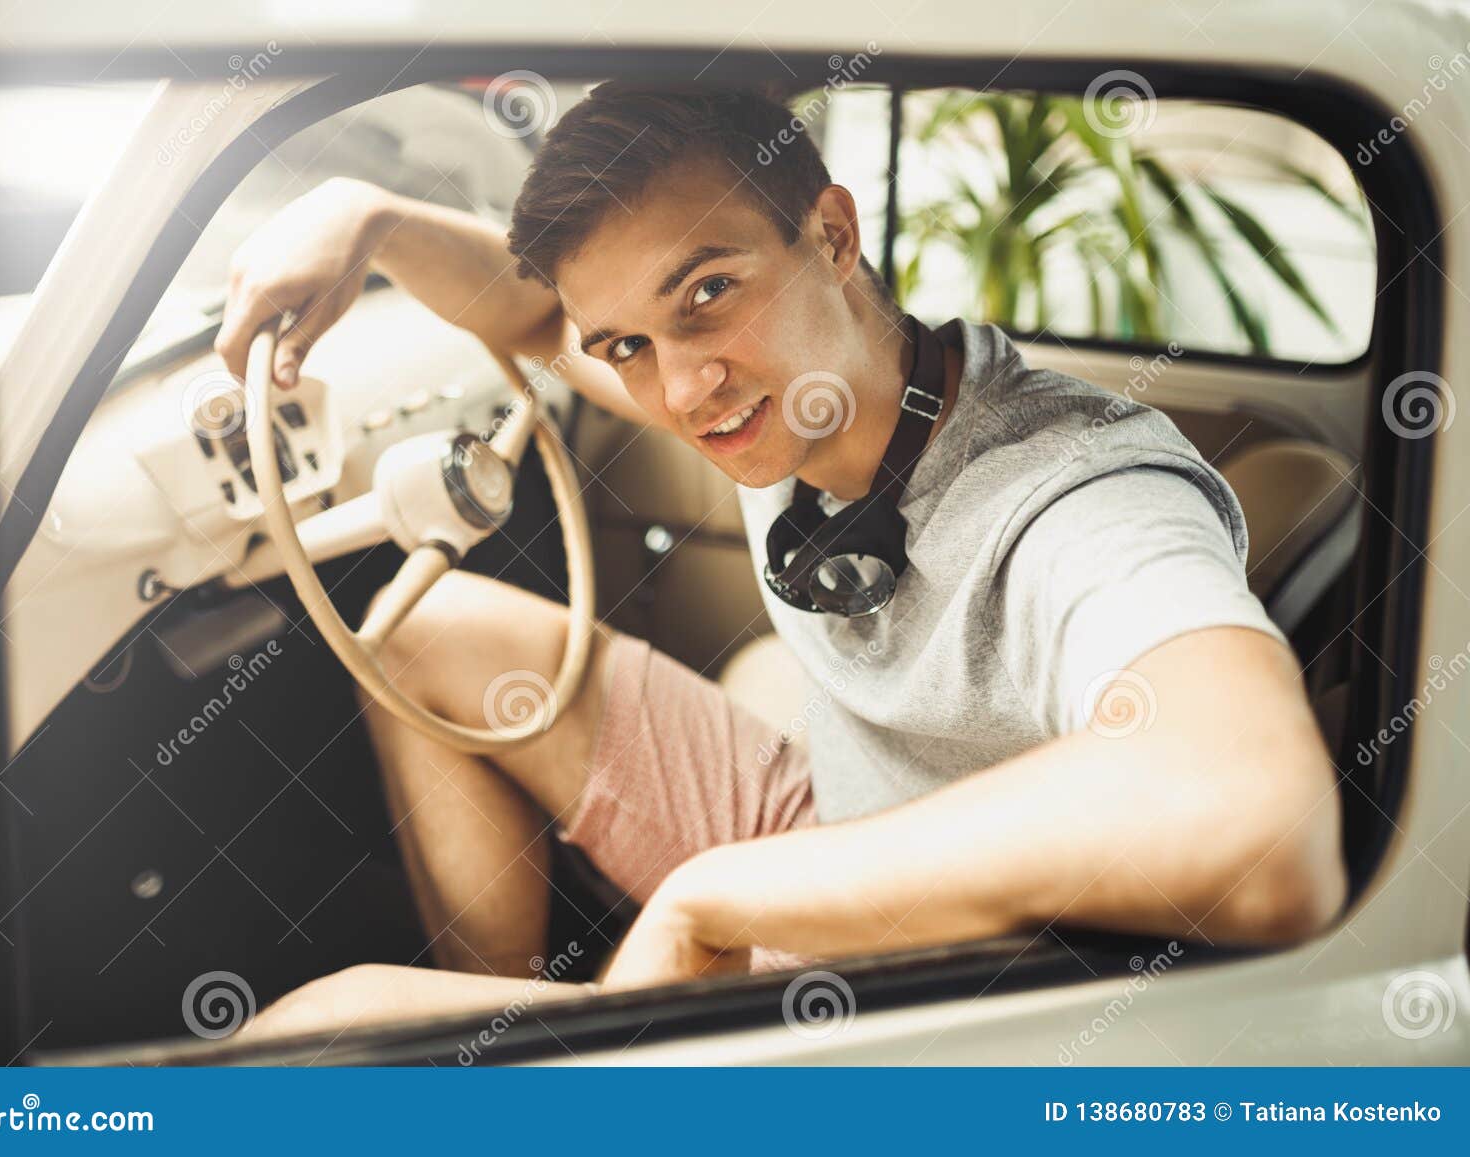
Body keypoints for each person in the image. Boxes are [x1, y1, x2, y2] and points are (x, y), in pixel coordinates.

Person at [215, 84, 1345, 1037]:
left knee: (316, 1026)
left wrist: (711, 895)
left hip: (954, 969)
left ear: (833, 234)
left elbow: (1255, 817)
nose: (681, 390)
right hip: (828, 815)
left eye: (708, 293)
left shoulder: (1075, 491)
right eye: (629, 346)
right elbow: (534, 323)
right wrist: (366, 215)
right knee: (420, 630)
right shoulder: (795, 392)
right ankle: (548, 1050)